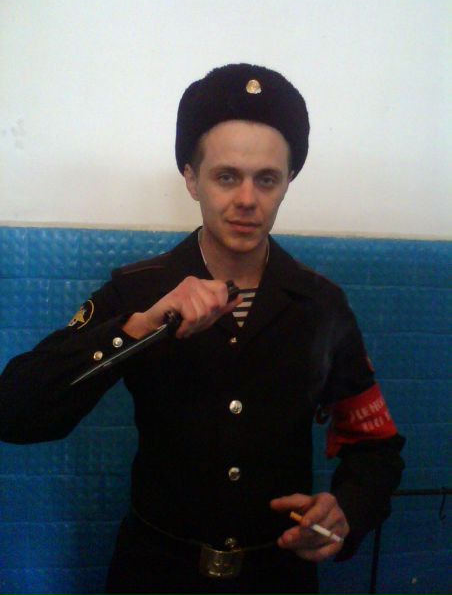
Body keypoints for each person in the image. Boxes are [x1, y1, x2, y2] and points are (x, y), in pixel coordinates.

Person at [0, 64, 405, 595]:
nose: (247, 199)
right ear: (192, 179)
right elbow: (16, 411)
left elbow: (376, 447)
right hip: (155, 575)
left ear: (288, 182)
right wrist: (137, 329)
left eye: (267, 179)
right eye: (226, 176)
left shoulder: (320, 304)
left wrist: (348, 509)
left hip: (276, 579)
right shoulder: (139, 291)